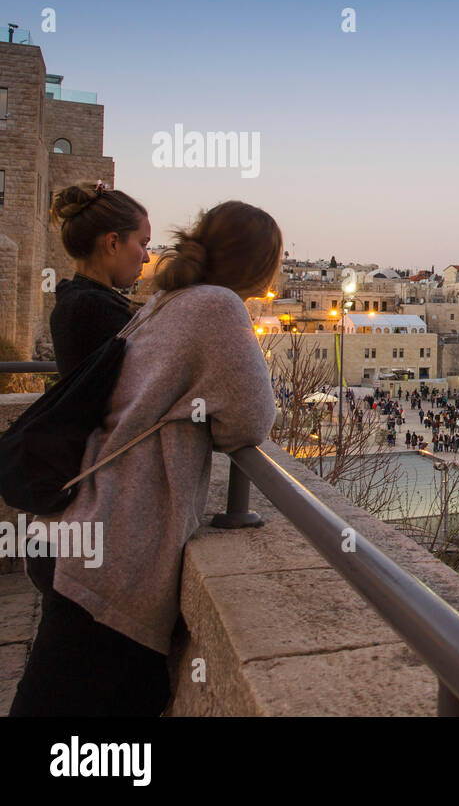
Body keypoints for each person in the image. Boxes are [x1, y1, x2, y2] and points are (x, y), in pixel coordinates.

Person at [10, 200, 282, 717]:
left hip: (82, 529)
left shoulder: (167, 301)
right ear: (260, 264)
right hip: (114, 554)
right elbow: (250, 422)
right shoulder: (217, 307)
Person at [47, 182, 151, 375]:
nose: (146, 258)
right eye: (142, 243)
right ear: (113, 243)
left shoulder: (72, 301)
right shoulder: (95, 309)